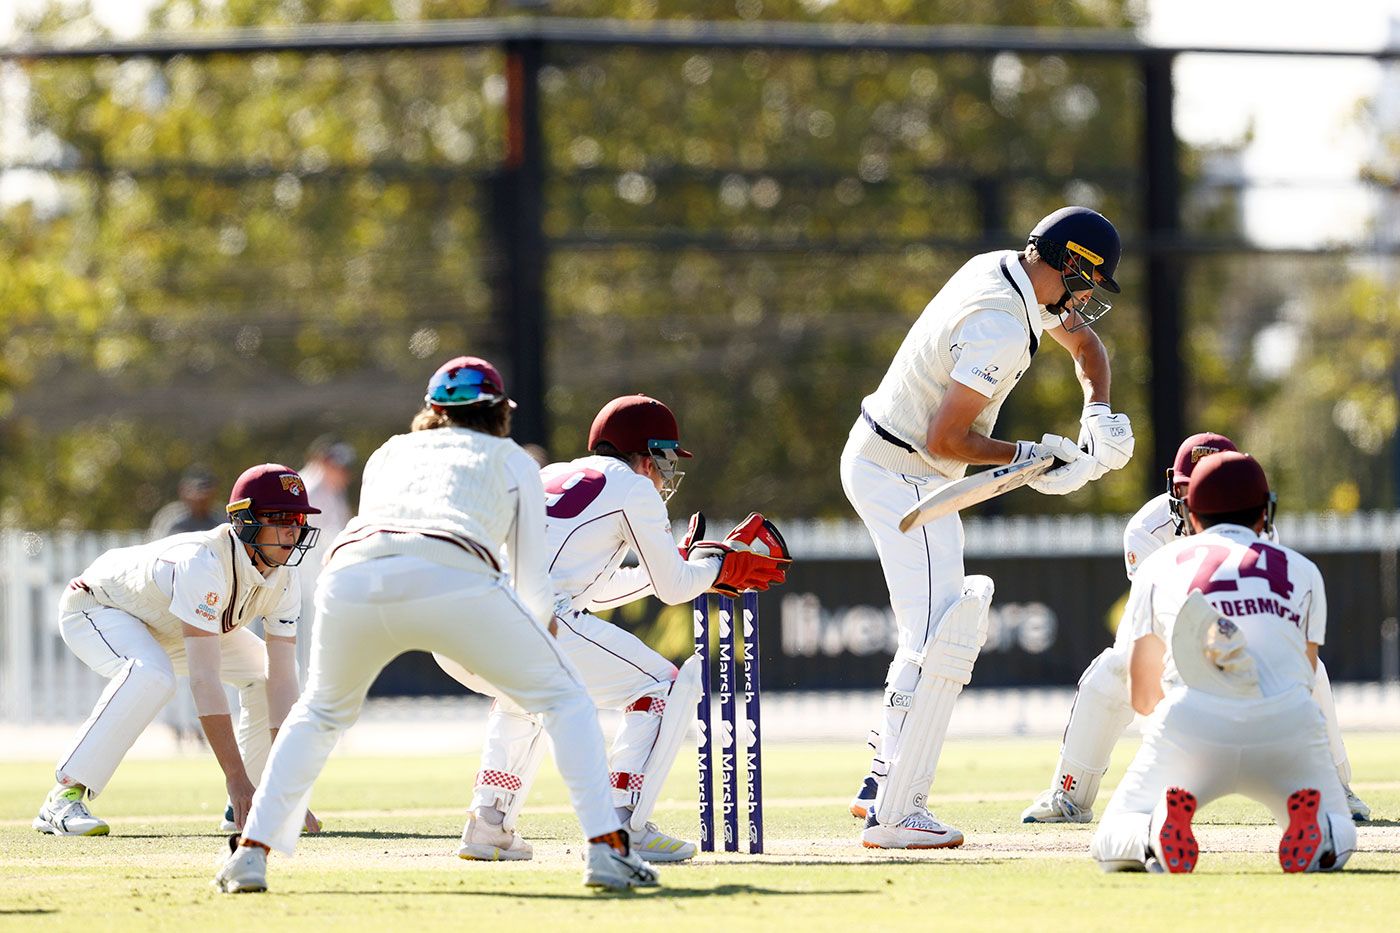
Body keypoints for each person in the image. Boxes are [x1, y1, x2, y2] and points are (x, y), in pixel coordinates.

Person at [214, 357, 661, 894]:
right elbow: (530, 577)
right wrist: (544, 633)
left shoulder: (388, 451)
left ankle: (251, 855)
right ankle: (607, 852)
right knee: (566, 700)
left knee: (317, 715)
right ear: (498, 412)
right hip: (454, 573)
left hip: (352, 575)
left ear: (432, 410)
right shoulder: (510, 457)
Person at [842, 206, 1135, 850]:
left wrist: (1100, 413)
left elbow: (1086, 347)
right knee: (941, 634)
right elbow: (945, 437)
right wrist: (1031, 457)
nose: (1088, 297)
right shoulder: (1000, 326)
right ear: (1071, 265)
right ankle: (898, 812)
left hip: (912, 470)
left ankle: (881, 786)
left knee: (930, 631)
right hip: (900, 472)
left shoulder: (1009, 272)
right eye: (1089, 280)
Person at [434, 394, 790, 863]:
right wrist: (717, 564)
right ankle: (621, 825)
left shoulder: (551, 474)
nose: (665, 475)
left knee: (527, 696)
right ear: (644, 455)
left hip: (457, 623)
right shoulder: (633, 488)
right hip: (528, 622)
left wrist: (688, 563)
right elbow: (676, 589)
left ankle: (488, 824)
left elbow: (597, 592)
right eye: (664, 460)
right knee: (660, 688)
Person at [1022, 433, 1371, 824]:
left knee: (1312, 670)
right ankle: (1071, 792)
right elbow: (1156, 632)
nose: (1196, 500)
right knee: (1111, 670)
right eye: (1188, 487)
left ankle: (1334, 787)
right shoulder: (1147, 530)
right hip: (1180, 648)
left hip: (1240, 648)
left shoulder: (1253, 524)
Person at [1090, 451, 1356, 873]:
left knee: (1112, 835)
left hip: (1192, 724)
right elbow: (1303, 678)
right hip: (1286, 723)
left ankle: (1153, 832)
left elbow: (1142, 697)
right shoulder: (1303, 570)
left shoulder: (1158, 565)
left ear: (1190, 513)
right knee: (1343, 829)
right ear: (1265, 512)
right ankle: (1320, 830)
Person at [34, 464, 321, 838]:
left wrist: (285, 791)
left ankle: (250, 802)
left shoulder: (284, 577)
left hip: (175, 625)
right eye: (279, 517)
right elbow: (204, 679)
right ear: (246, 521)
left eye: (298, 518)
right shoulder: (203, 563)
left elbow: (282, 679)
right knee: (152, 674)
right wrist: (232, 776)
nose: (292, 529)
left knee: (263, 674)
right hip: (99, 607)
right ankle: (63, 796)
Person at [295, 435, 357, 683]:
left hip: (322, 577)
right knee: (302, 638)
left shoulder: (333, 491)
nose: (343, 472)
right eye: (337, 465)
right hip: (302, 579)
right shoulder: (308, 488)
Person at [148, 465, 222, 538]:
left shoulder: (222, 519)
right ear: (182, 491)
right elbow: (156, 545)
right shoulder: (170, 518)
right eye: (194, 490)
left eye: (206, 489)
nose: (200, 497)